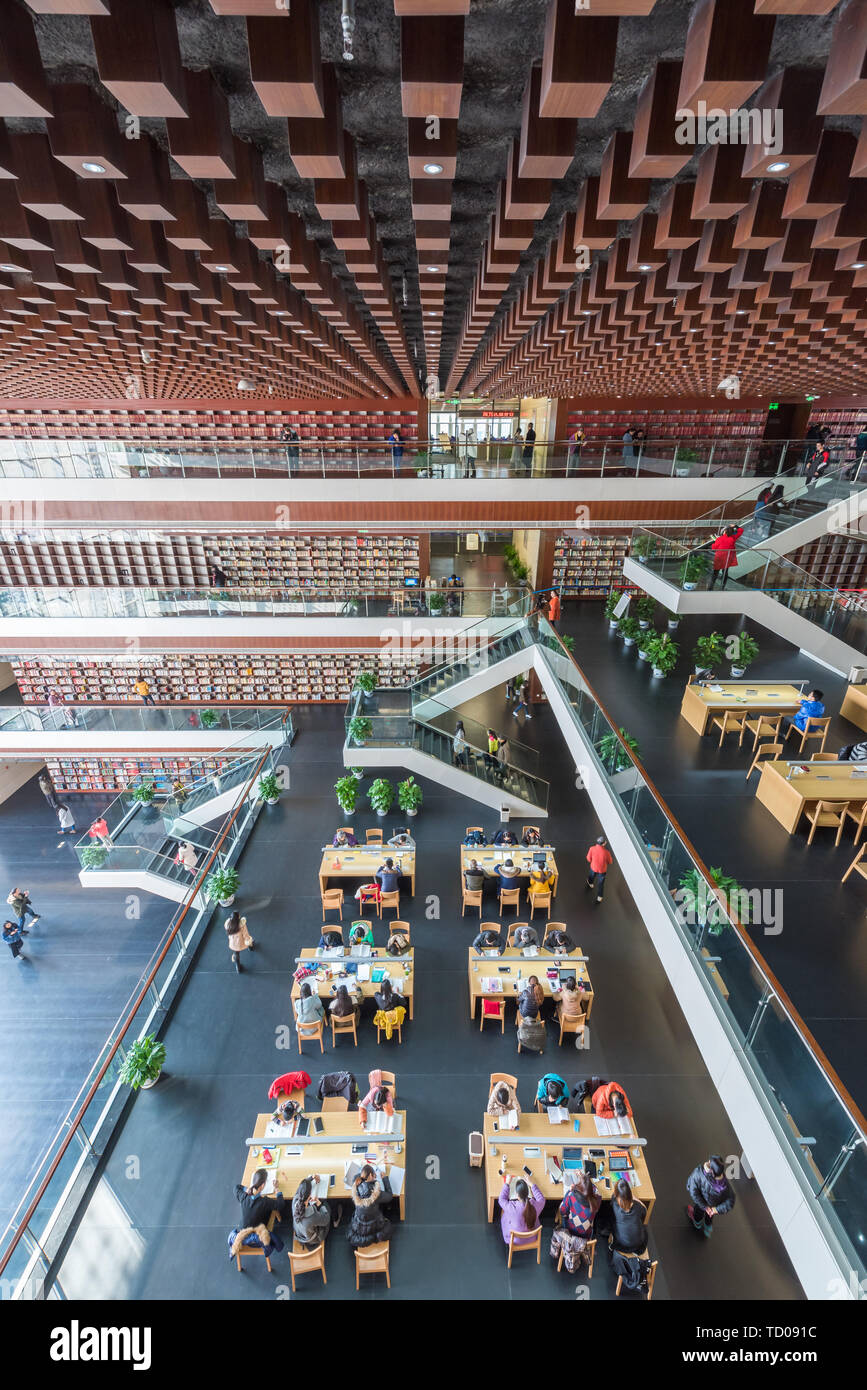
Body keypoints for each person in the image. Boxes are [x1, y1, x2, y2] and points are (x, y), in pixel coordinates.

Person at [551, 1171, 601, 1272]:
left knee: (563, 1214)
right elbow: (595, 1189)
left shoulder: (571, 1195)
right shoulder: (597, 1199)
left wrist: (569, 1191)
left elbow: (562, 1211)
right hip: (587, 1235)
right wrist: (584, 1178)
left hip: (571, 1232)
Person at [234, 1169, 288, 1254]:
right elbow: (280, 1204)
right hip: (258, 1239)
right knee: (271, 1208)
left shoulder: (243, 1197)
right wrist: (277, 1189)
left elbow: (236, 1187)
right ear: (263, 1185)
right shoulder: (264, 1202)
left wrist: (246, 1189)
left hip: (241, 1237)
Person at [686, 1154, 736, 1238]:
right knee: (710, 1216)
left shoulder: (699, 1174)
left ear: (711, 1171)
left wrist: (705, 1207)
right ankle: (708, 1227)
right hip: (714, 1206)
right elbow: (730, 1202)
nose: (707, 1162)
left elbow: (693, 1191)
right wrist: (715, 1210)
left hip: (702, 1204)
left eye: (709, 1163)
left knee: (698, 1212)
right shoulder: (726, 1186)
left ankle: (697, 1223)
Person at [346, 1165, 392, 1249]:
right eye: (374, 1174)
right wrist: (385, 1178)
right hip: (374, 1226)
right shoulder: (375, 1193)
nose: (375, 1176)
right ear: (371, 1175)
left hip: (359, 1225)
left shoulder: (356, 1186)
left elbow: (354, 1177)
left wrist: (363, 1173)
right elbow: (389, 1196)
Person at [497, 1169, 544, 1244]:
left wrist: (507, 1183)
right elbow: (541, 1199)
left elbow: (501, 1200)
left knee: (505, 1215)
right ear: (528, 1193)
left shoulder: (512, 1208)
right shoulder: (535, 1206)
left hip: (514, 1240)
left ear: (517, 1196)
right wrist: (531, 1184)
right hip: (531, 1238)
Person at [606, 1178, 648, 1254]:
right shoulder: (637, 1206)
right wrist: (633, 1197)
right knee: (644, 1227)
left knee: (612, 1221)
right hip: (638, 1245)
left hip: (621, 1244)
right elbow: (645, 1209)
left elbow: (614, 1196)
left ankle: (612, 1245)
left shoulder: (615, 1203)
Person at [292, 1176, 332, 1248]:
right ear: (309, 1195)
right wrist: (320, 1205)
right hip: (312, 1239)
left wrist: (311, 1178)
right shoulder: (312, 1215)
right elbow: (326, 1219)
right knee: (327, 1207)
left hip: (300, 1234)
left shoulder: (295, 1200)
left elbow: (300, 1188)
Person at [708, 525, 743, 589]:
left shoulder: (720, 539)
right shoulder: (733, 538)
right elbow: (741, 530)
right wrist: (736, 526)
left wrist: (715, 541)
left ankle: (711, 587)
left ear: (725, 532)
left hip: (720, 558)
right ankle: (723, 586)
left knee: (715, 572)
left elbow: (714, 547)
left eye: (724, 531)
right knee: (725, 572)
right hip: (728, 558)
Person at [586, 836, 613, 903]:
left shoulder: (592, 848)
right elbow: (610, 862)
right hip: (602, 870)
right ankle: (599, 897)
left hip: (593, 867)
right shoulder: (607, 853)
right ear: (603, 844)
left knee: (591, 876)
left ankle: (590, 883)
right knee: (601, 883)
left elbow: (588, 859)